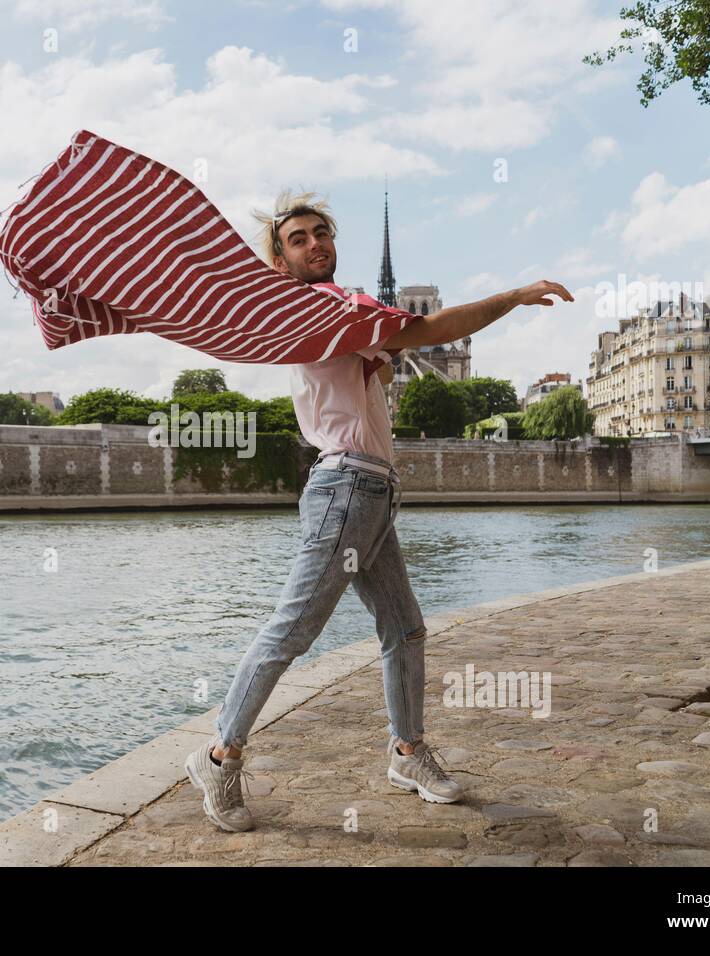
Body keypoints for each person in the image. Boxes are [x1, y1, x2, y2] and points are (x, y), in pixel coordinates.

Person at [185, 190, 572, 831]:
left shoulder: (338, 312)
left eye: (321, 233)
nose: (316, 244)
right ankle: (218, 754)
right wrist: (514, 296)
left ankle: (407, 752)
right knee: (292, 631)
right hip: (345, 492)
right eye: (299, 239)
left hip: (373, 491)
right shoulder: (313, 307)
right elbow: (432, 330)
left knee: (405, 628)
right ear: (281, 262)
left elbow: (375, 371)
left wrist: (380, 365)